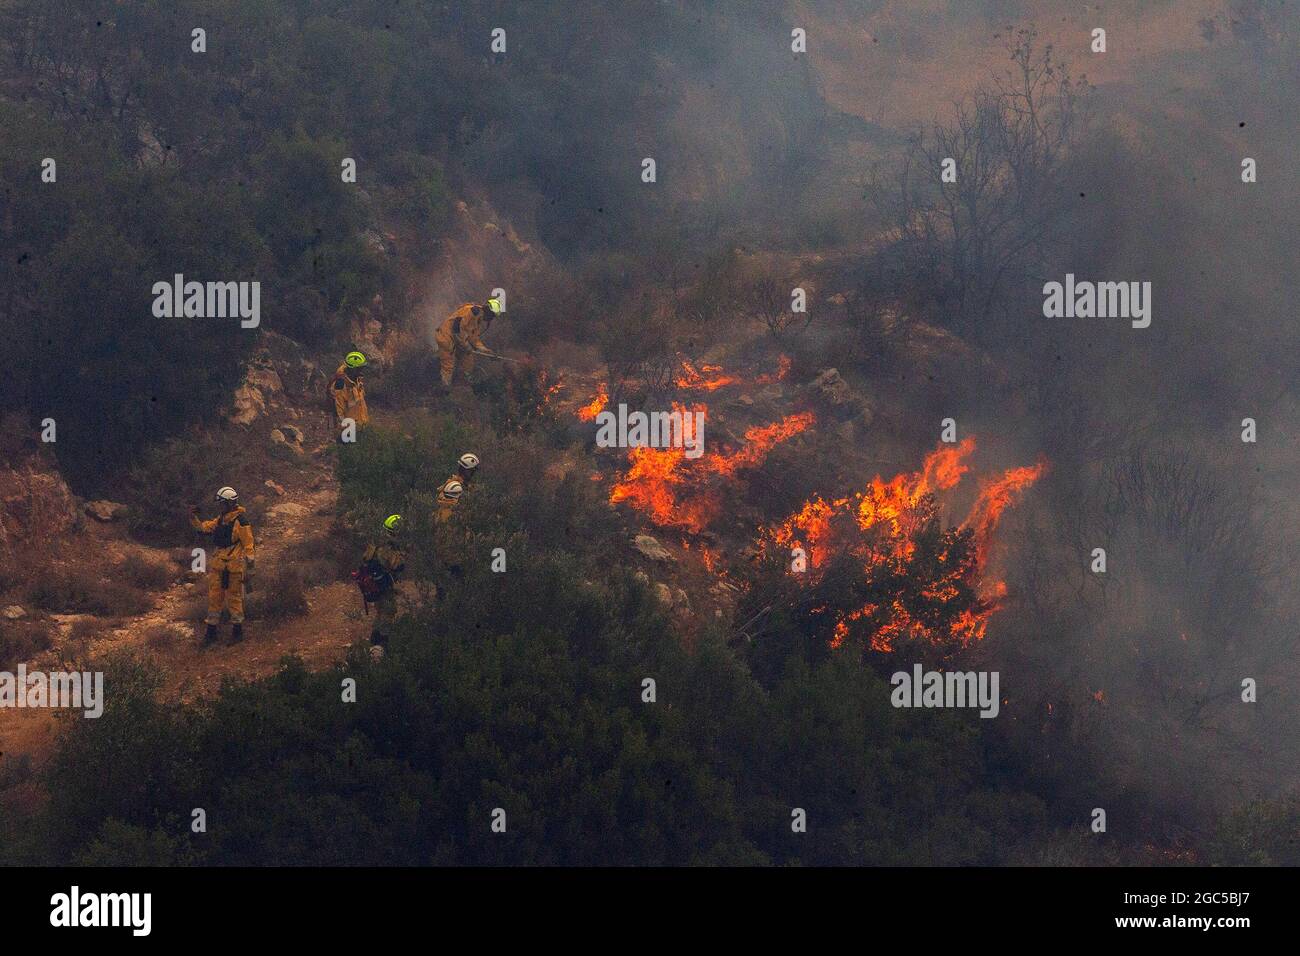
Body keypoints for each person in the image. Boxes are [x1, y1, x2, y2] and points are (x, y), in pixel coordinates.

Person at [190, 486, 254, 643]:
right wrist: (192, 517)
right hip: (219, 566)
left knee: (234, 599)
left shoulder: (241, 522)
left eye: (222, 504)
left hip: (235, 567)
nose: (220, 507)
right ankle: (211, 633)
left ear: (230, 504)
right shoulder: (220, 520)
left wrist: (249, 569)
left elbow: (249, 546)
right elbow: (203, 528)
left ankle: (237, 633)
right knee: (214, 598)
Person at [434, 296, 501, 392]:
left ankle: (466, 381)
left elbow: (474, 339)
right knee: (448, 364)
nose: (491, 319)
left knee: (468, 358)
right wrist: (466, 345)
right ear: (488, 312)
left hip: (457, 341)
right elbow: (457, 329)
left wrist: (487, 351)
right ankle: (445, 387)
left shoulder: (478, 319)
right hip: (446, 337)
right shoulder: (470, 311)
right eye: (492, 316)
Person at [359, 514, 406, 648]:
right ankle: (380, 646)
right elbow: (398, 565)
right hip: (383, 587)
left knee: (380, 613)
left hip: (375, 585)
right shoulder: (387, 548)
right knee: (388, 612)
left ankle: (375, 642)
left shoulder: (376, 543)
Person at [329, 350, 370, 437]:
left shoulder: (356, 381)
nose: (362, 371)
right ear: (353, 369)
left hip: (359, 427)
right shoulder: (341, 385)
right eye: (359, 368)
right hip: (348, 431)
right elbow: (339, 411)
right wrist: (347, 434)